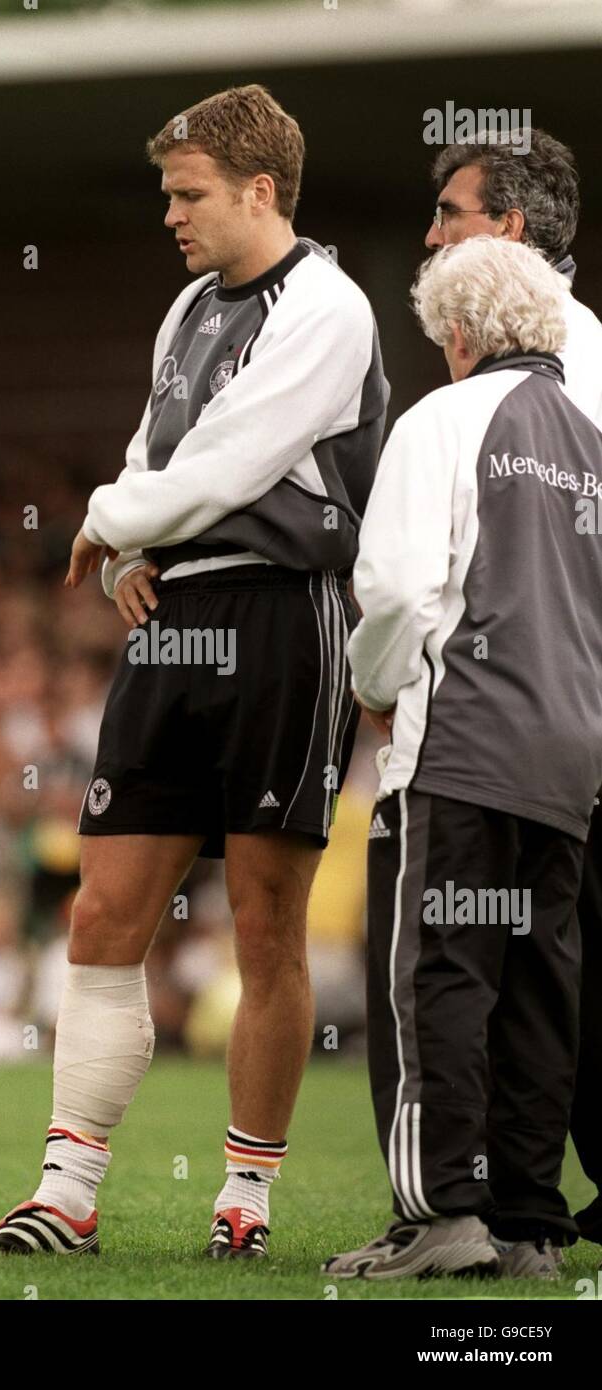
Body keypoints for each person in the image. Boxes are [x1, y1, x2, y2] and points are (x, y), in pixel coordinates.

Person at [0, 83, 387, 1259]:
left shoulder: (330, 305)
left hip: (284, 618)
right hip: (178, 616)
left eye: (188, 193)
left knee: (265, 925)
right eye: (166, 193)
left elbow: (234, 457)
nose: (171, 214)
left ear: (262, 191)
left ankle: (244, 1202)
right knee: (103, 911)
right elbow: (160, 453)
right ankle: (66, 1192)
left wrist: (111, 518)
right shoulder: (190, 307)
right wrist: (123, 560)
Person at [324, 236, 602, 1281]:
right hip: (569, 758)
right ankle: (530, 1220)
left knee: (439, 977)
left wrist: (376, 685)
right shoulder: (590, 439)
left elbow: (393, 589)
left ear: (455, 333)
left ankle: (442, 1210)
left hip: (464, 747)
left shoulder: (440, 418)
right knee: (539, 986)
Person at [425, 127, 602, 1247]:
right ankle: (521, 1211)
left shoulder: (549, 365)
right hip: (566, 720)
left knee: (476, 969)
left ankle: (466, 1207)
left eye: (449, 211)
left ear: (510, 229)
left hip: (515, 722)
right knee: (544, 970)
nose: (432, 232)